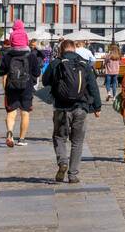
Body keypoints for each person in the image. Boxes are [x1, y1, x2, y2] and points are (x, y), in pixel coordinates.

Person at [41, 39, 102, 184]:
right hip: (80, 107)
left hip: (61, 108)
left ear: (61, 50)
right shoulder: (84, 64)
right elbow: (93, 86)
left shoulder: (57, 63)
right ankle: (73, 174)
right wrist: (97, 107)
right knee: (77, 141)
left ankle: (62, 162)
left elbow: (45, 81)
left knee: (59, 137)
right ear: (74, 49)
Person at [0, 21, 42, 148]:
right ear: (25, 39)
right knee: (25, 113)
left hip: (11, 87)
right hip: (26, 87)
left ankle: (10, 133)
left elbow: (1, 71)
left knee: (11, 112)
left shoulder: (8, 55)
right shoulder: (31, 55)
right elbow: (37, 72)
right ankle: (22, 139)